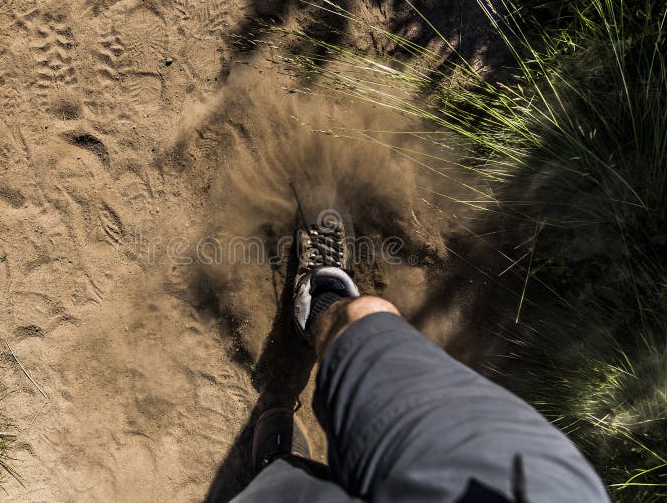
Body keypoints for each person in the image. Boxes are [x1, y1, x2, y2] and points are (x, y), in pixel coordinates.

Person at [232, 208, 609, 503]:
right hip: (527, 486)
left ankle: (280, 472)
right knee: (364, 317)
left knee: (279, 491)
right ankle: (320, 306)